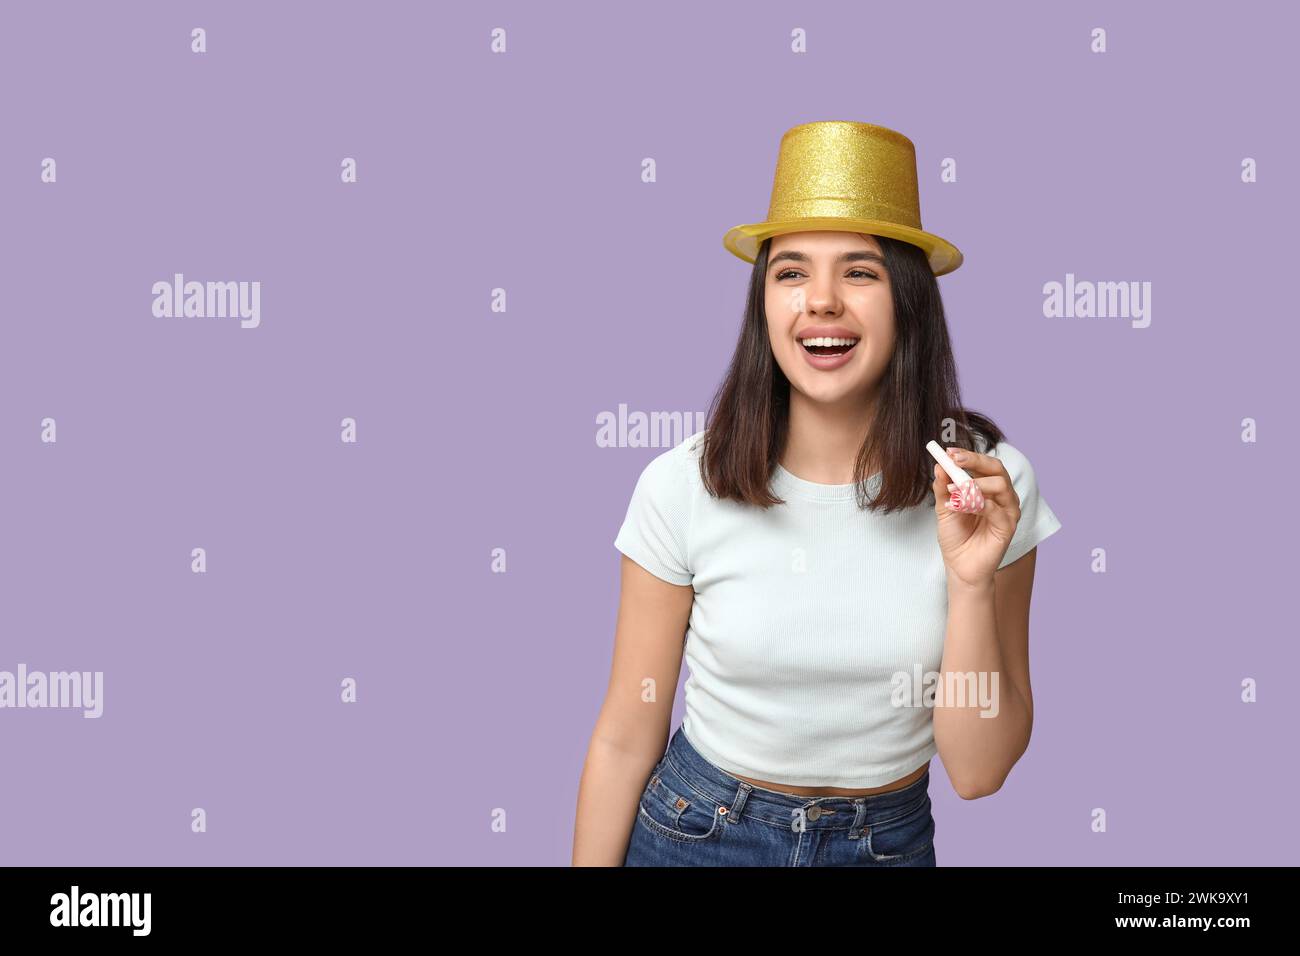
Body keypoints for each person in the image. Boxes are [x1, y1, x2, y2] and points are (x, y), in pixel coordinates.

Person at [572, 121, 1062, 867]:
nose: (821, 300)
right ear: (763, 303)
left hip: (885, 844)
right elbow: (625, 732)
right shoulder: (681, 485)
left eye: (860, 273)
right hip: (698, 833)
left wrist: (970, 583)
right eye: (791, 272)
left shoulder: (987, 485)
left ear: (908, 301)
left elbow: (979, 771)